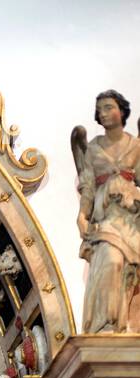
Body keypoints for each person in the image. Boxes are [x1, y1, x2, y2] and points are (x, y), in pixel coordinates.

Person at [75, 90, 140, 333]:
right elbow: (88, 186)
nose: (103, 113)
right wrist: (82, 215)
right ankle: (104, 322)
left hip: (130, 215)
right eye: (100, 109)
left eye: (108, 107)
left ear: (122, 111)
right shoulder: (92, 149)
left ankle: (119, 323)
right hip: (104, 215)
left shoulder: (136, 146)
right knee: (110, 261)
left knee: (125, 271)